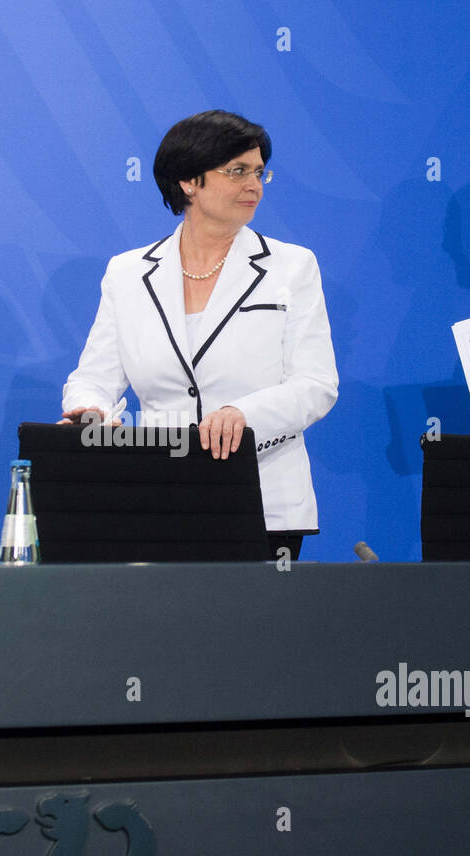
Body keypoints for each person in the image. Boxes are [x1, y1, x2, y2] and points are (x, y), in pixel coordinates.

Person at [62, 110, 338, 559]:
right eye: (237, 171)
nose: (255, 185)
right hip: (151, 497)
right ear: (189, 181)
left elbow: (316, 384)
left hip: (262, 498)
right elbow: (93, 376)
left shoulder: (292, 266)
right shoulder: (128, 273)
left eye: (258, 171)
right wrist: (88, 410)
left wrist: (242, 414)